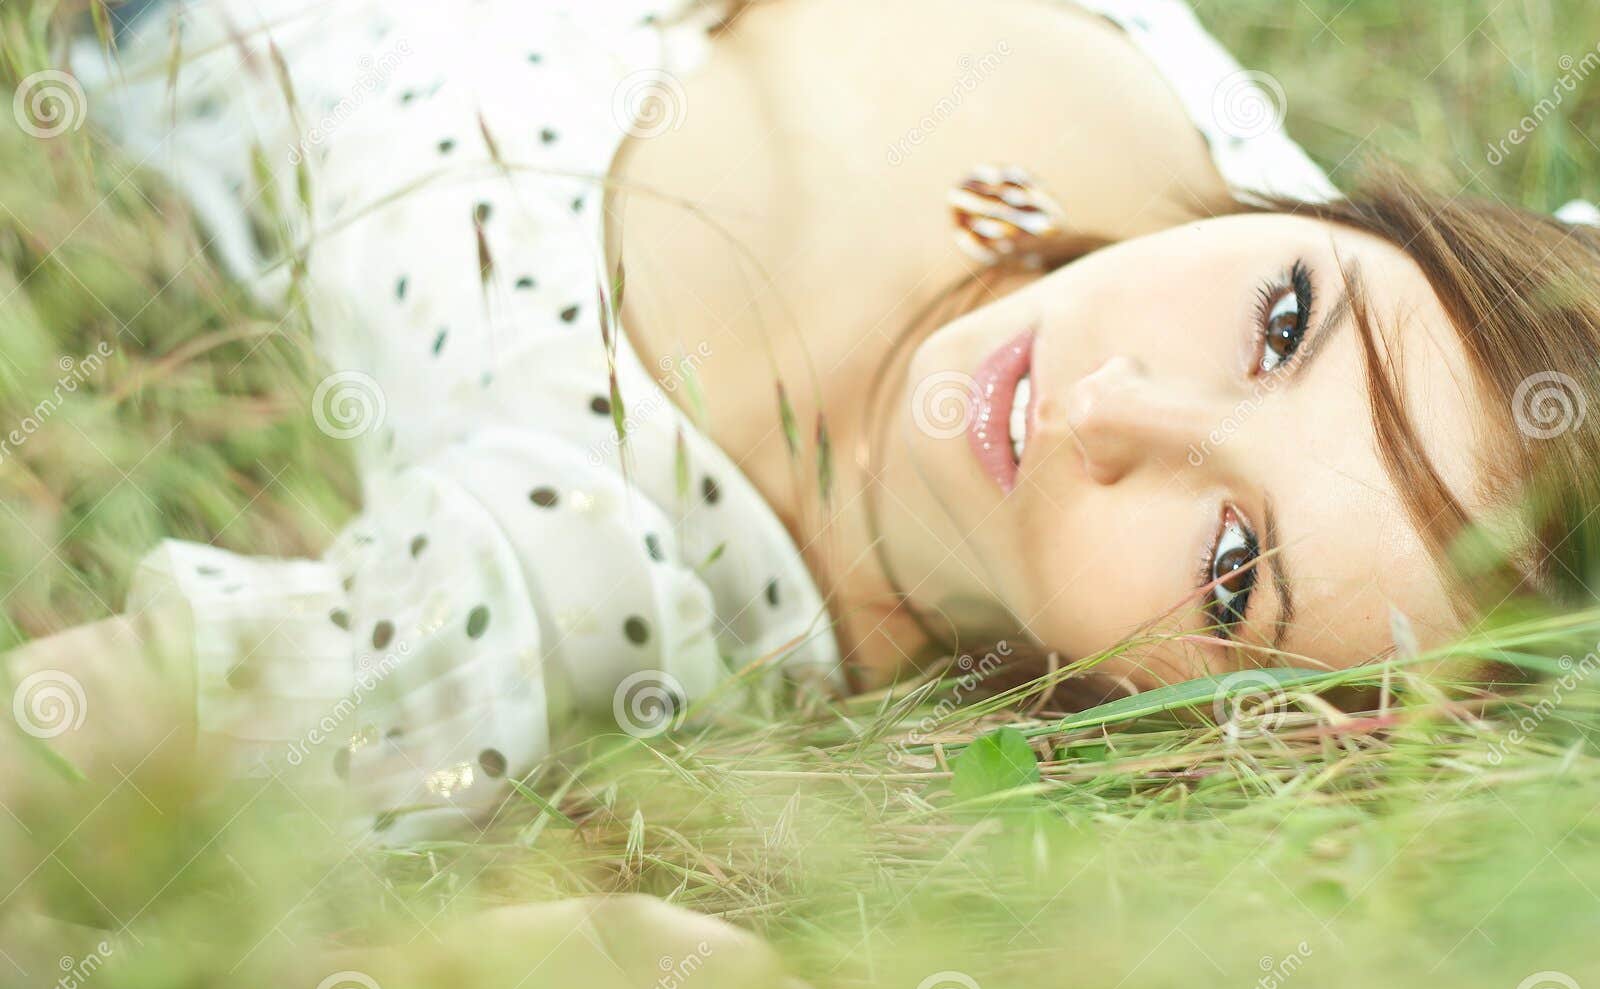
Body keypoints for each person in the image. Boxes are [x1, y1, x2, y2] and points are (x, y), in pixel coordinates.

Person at [8, 0, 1600, 846]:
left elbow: (94, 737)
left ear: (1233, 737)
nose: (1109, 404)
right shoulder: (1175, 113)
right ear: (1362, 219)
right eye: (1284, 323)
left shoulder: (603, 566)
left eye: (1234, 564)